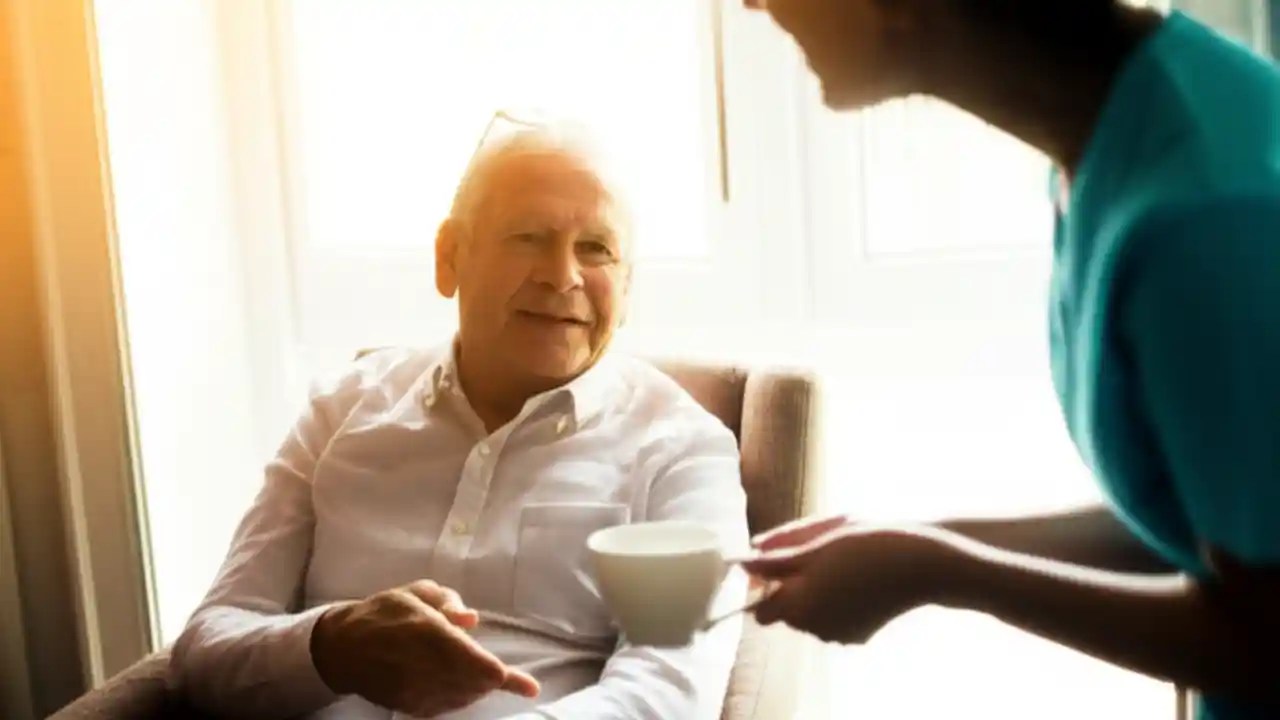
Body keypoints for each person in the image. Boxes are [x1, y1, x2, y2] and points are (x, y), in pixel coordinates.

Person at [742, 1, 1280, 718]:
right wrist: (920, 542)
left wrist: (942, 572)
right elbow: (1201, 519)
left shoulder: (1206, 214)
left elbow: (1265, 638)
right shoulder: (1115, 136)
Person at [170, 117, 749, 720]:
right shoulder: (341, 409)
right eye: (528, 236)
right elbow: (206, 648)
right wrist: (331, 644)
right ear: (451, 257)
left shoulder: (682, 449)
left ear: (626, 288)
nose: (562, 275)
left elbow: (669, 692)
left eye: (596, 248)